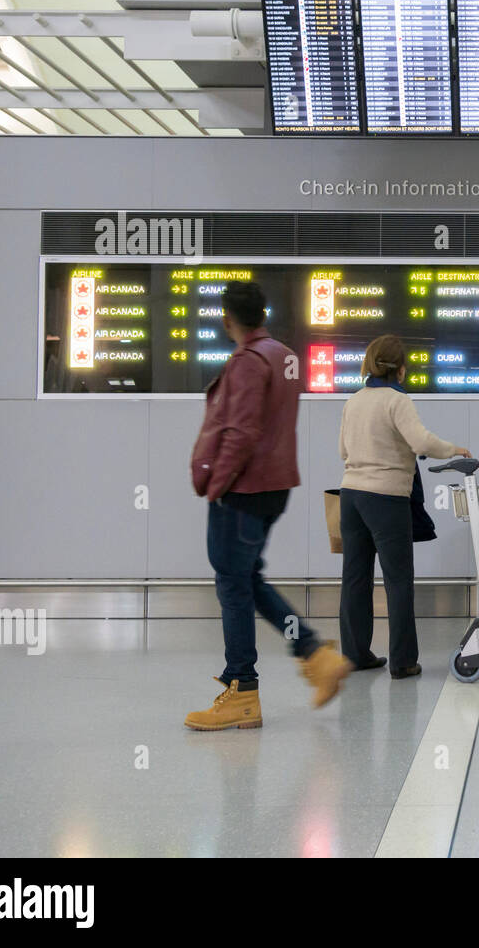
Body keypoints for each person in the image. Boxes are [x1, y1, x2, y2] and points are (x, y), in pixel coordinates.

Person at [185, 281, 351, 730]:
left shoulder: (246, 362)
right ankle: (315, 655)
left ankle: (243, 688)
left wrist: (217, 485)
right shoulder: (283, 355)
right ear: (264, 312)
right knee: (248, 580)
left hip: (243, 489)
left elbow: (240, 433)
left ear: (227, 319)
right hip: (275, 487)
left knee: (233, 587)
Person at [339, 335, 469, 678]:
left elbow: (343, 451)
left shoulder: (354, 401)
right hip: (386, 498)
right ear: (400, 369)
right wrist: (453, 448)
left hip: (350, 496)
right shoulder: (397, 401)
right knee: (398, 581)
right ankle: (403, 661)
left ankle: (355, 655)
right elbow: (421, 441)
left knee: (355, 577)